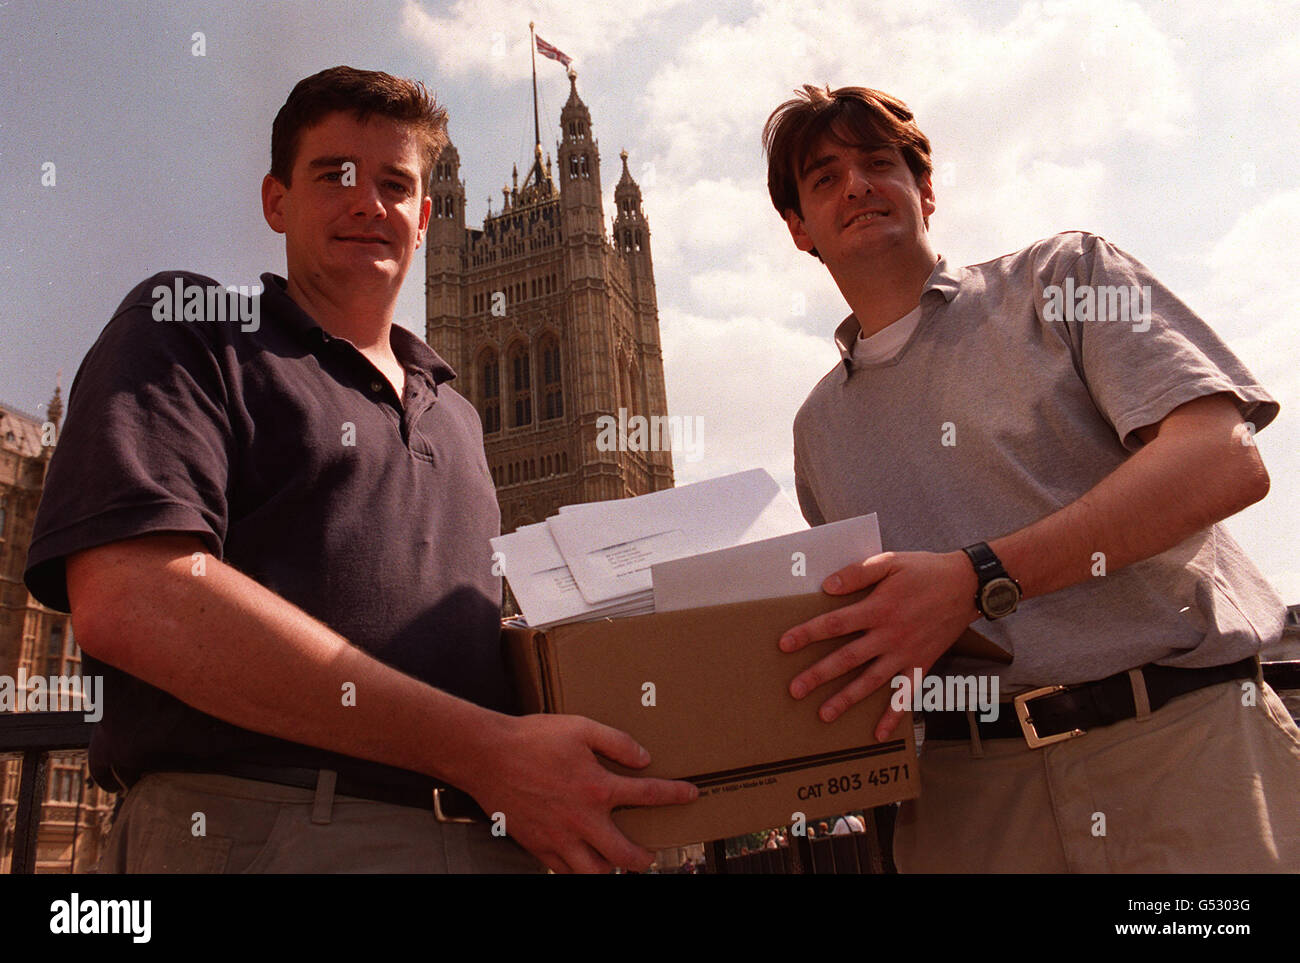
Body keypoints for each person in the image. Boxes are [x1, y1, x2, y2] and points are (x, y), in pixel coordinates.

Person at [23, 65, 695, 875]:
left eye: (394, 182)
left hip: (490, 835)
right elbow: (136, 599)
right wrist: (482, 749)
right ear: (275, 200)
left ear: (425, 217)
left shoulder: (457, 418)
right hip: (264, 826)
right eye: (334, 174)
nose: (368, 202)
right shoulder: (192, 329)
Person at [762, 84, 1300, 872]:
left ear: (926, 191)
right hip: (968, 806)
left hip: (1176, 756)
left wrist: (978, 578)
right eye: (824, 176)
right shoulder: (817, 430)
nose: (857, 185)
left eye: (880, 163)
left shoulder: (1062, 279)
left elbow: (1223, 458)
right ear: (798, 228)